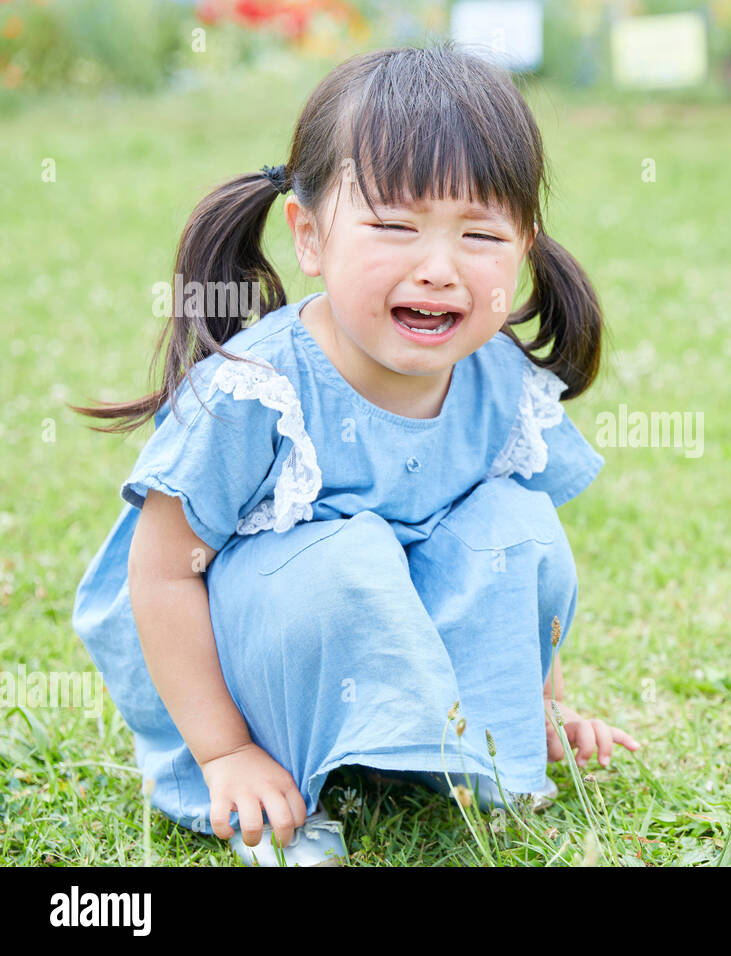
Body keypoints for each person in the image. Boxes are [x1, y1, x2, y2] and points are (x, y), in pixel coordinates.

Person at [69, 42, 640, 866]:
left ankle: (465, 740)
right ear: (309, 235)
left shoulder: (500, 382)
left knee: (521, 518)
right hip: (249, 666)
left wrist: (540, 702)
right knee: (350, 557)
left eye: (481, 234)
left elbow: (516, 567)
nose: (439, 268)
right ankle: (284, 780)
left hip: (370, 636)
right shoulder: (257, 393)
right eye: (394, 227)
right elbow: (159, 575)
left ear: (523, 250)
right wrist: (222, 751)